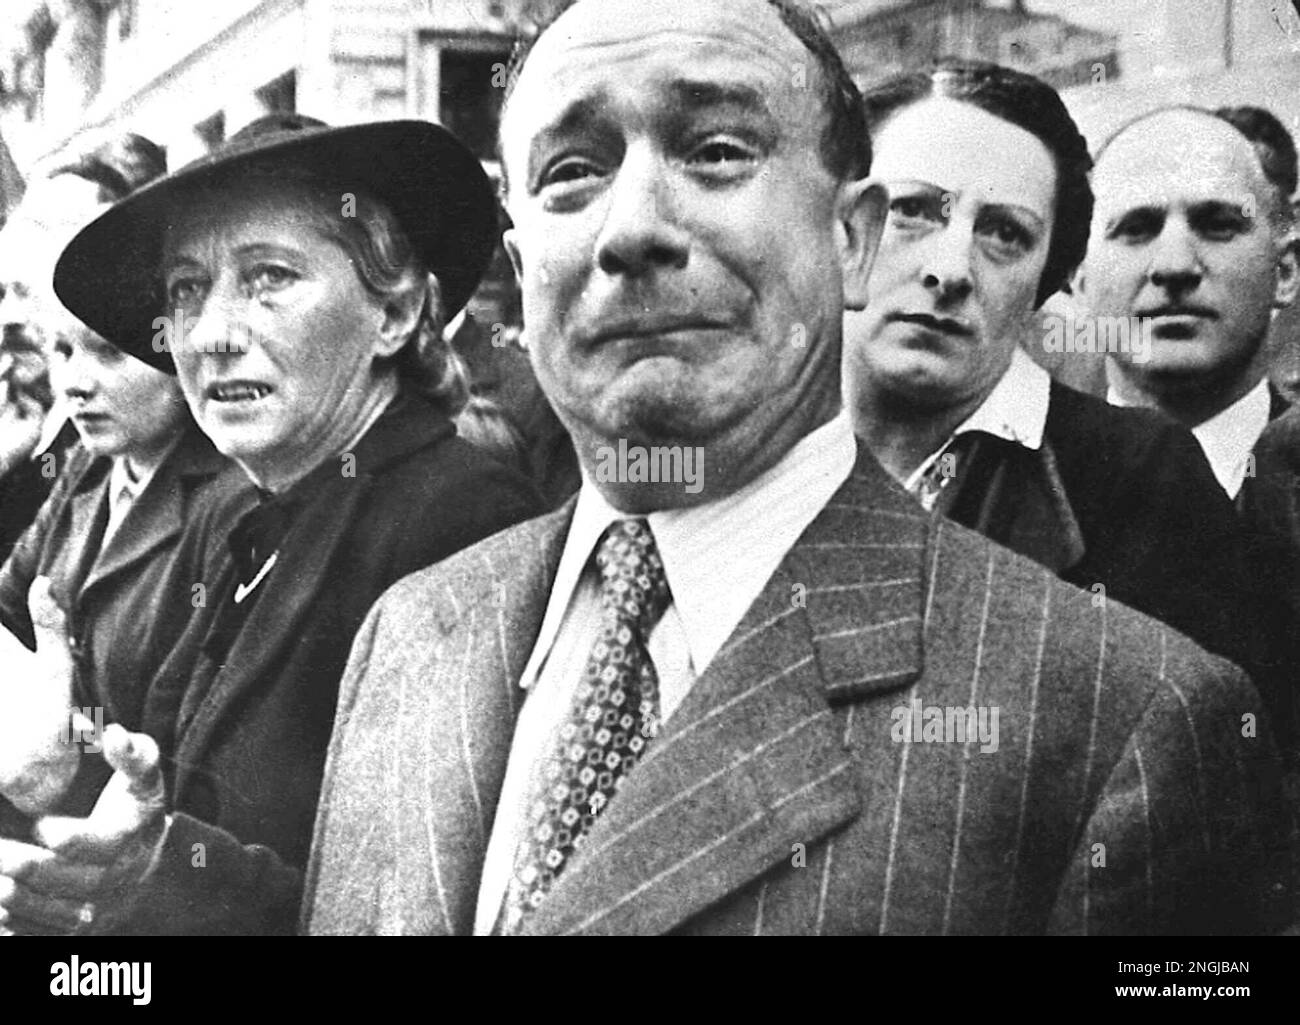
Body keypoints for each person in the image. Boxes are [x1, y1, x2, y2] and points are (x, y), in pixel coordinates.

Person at [303, 0, 1291, 936]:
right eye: (570, 170)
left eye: (717, 151)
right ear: (522, 277)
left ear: (849, 240)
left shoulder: (1124, 717)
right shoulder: (410, 633)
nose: (633, 226)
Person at [0, 113, 542, 935]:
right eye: (187, 289)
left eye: (269, 278)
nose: (211, 334)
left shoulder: (460, 521)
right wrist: (63, 780)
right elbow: (167, 805)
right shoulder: (248, 514)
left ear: (393, 314)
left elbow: (414, 907)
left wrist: (152, 880)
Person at [842, 61, 1262, 679]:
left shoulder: (1139, 481)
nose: (951, 269)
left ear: (1047, 279)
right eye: (913, 210)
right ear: (842, 227)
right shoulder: (739, 447)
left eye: (1006, 233)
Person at [1077, 104, 1299, 501]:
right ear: (1078, 277)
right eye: (1136, 229)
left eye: (1218, 226)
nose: (1175, 266)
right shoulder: (1008, 491)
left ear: (1284, 272)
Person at [0, 134, 168, 562]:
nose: (9, 320)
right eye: (2, 295)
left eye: (26, 292)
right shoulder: (28, 427)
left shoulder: (134, 428)